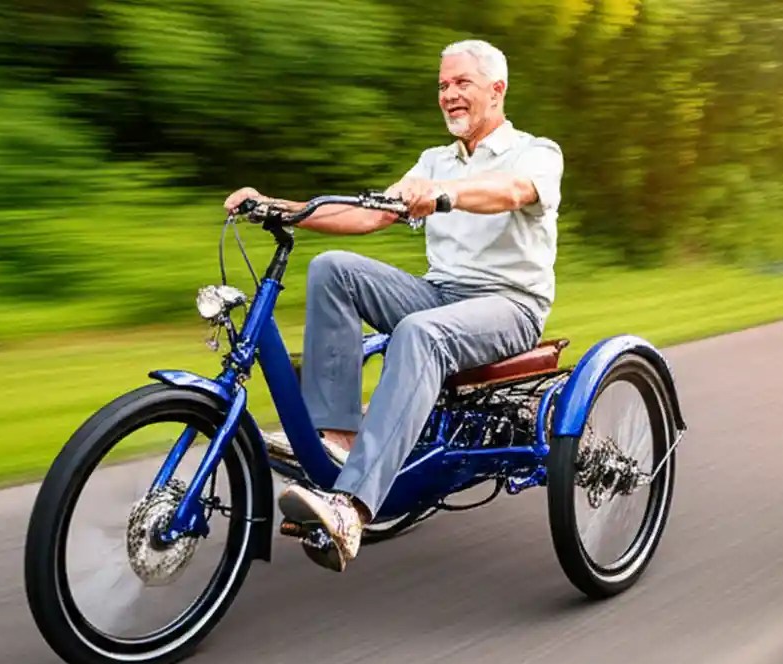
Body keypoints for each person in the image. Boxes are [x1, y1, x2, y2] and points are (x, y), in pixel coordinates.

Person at [222, 39, 564, 572]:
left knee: (421, 334)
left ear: (497, 91)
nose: (448, 94)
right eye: (442, 85)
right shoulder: (434, 161)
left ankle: (351, 509)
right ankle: (337, 436)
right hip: (440, 293)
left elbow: (513, 192)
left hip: (507, 304)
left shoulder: (535, 152)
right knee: (333, 267)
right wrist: (281, 208)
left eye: (461, 84)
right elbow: (368, 215)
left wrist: (445, 195)